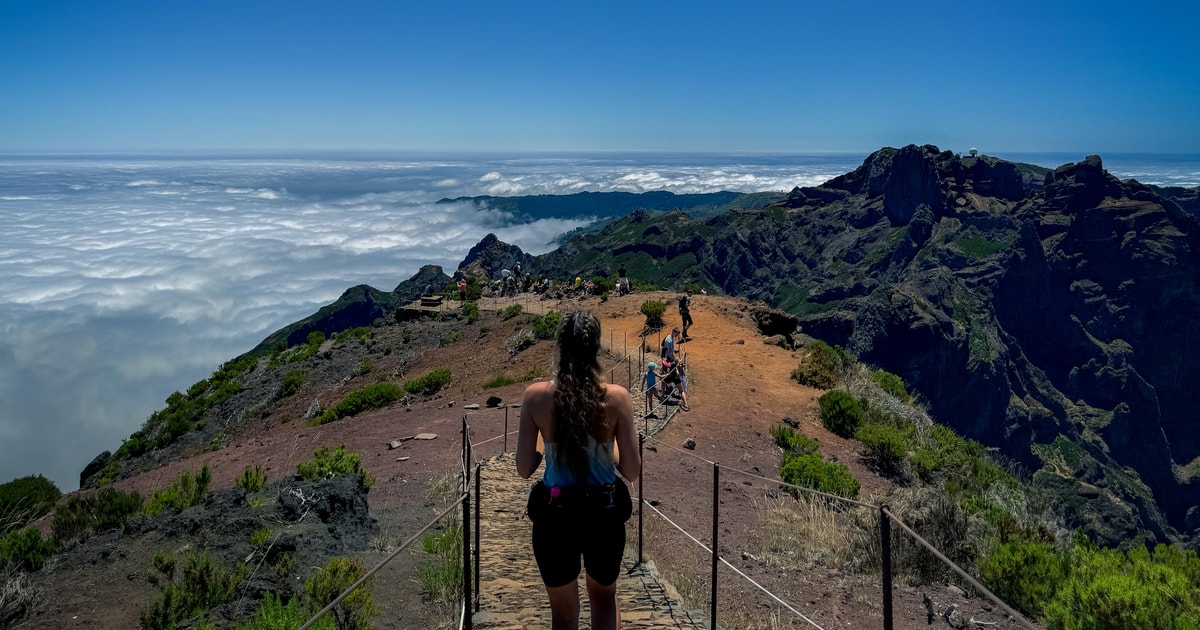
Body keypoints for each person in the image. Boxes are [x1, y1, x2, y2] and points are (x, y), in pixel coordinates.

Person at [516, 311, 640, 630]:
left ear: (560, 346)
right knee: (603, 599)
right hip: (604, 515)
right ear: (595, 347)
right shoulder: (617, 398)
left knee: (564, 615)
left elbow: (524, 468)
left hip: (555, 516)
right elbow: (631, 469)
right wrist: (607, 449)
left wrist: (546, 445)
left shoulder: (535, 397)